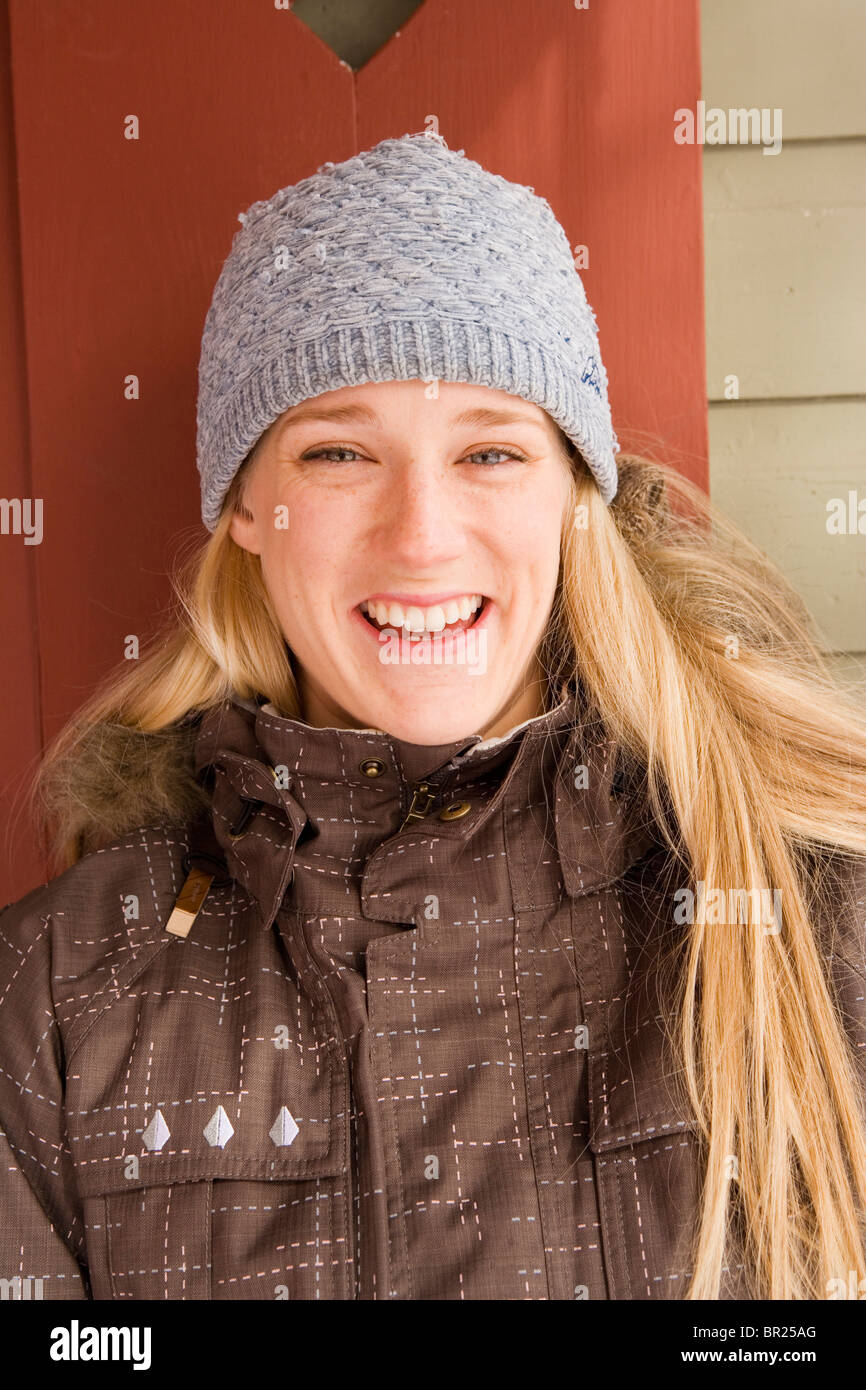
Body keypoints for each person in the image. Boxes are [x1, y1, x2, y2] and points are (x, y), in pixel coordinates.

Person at [1, 131, 865, 1302]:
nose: (420, 535)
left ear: (573, 497)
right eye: (341, 451)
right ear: (246, 506)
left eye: (491, 450)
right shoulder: (56, 993)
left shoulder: (817, 925)